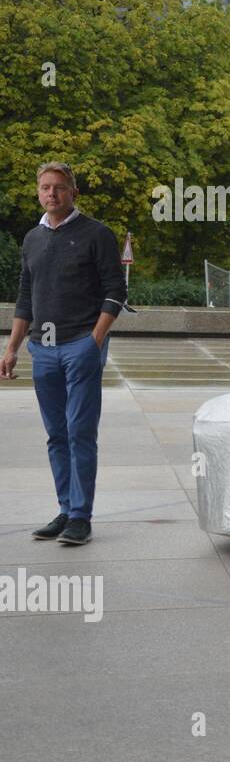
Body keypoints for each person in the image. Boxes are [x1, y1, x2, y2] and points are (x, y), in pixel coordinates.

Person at [0, 162, 127, 545]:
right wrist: (11, 348)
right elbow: (26, 298)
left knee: (79, 433)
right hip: (44, 348)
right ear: (38, 192)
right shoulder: (32, 239)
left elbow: (115, 292)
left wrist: (95, 341)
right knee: (56, 435)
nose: (51, 193)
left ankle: (80, 518)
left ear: (73, 192)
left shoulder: (96, 234)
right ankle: (65, 509)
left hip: (80, 347)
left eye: (58, 187)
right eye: (44, 187)